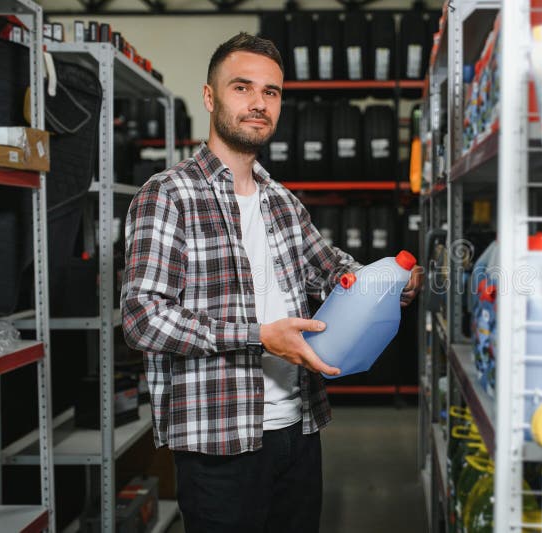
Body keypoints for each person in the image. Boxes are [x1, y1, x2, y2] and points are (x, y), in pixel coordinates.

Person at [121, 32, 422, 532]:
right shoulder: (168, 195)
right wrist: (259, 335)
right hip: (219, 441)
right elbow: (142, 318)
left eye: (272, 92)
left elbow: (332, 268)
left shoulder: (282, 201)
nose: (259, 103)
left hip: (298, 433)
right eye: (243, 88)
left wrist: (390, 280)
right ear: (210, 96)